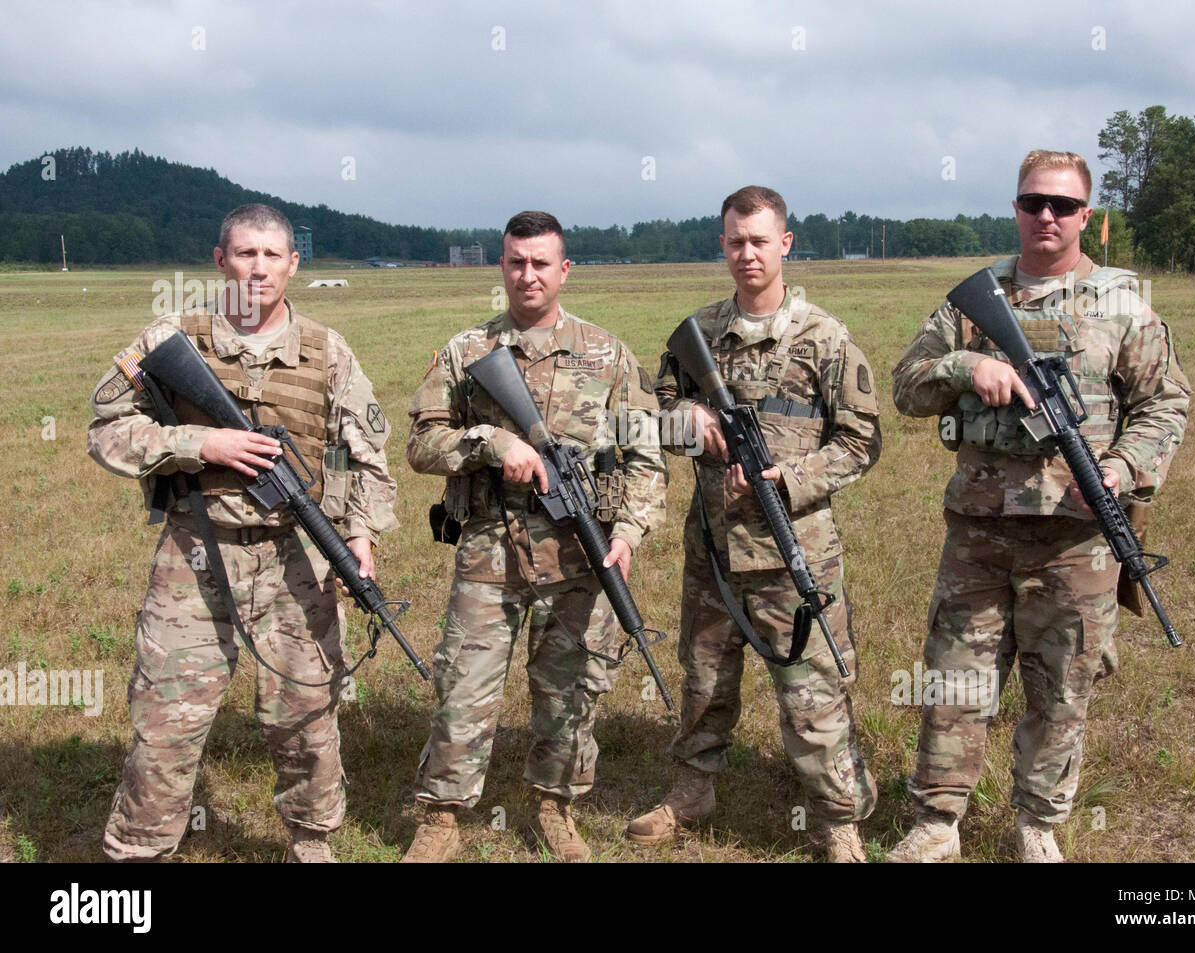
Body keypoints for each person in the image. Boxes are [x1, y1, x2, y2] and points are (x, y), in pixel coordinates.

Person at [888, 151, 1191, 862]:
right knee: (955, 675)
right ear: (1016, 209)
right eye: (1032, 203)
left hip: (1076, 536)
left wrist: (1120, 466)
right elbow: (906, 385)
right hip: (980, 532)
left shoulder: (1121, 304)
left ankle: (1038, 822)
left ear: (1089, 216)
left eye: (1061, 205)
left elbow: (1164, 404)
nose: (1045, 216)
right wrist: (972, 366)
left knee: (1063, 682)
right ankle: (937, 821)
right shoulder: (974, 300)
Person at [89, 203, 398, 863]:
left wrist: (362, 537)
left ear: (293, 263)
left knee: (308, 714)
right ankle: (139, 851)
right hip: (195, 556)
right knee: (167, 718)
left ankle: (312, 844)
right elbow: (106, 431)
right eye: (244, 253)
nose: (258, 267)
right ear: (219, 260)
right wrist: (202, 442)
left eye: (271, 254)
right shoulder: (174, 337)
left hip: (298, 558)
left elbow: (367, 452)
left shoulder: (326, 348)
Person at [401, 210, 667, 863]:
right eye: (516, 261)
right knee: (465, 679)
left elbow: (645, 455)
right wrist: (492, 441)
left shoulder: (609, 354)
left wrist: (628, 531)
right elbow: (419, 444)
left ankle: (555, 806)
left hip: (582, 545)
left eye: (541, 262)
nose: (528, 274)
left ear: (564, 270)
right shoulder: (467, 353)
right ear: (502, 266)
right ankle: (440, 818)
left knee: (573, 683)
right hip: (491, 540)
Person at [630, 186, 882, 862]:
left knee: (813, 691)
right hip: (712, 549)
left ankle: (836, 819)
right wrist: (688, 421)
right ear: (723, 244)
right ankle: (692, 790)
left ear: (785, 245)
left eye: (760, 241)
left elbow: (861, 442)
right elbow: (649, 416)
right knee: (703, 681)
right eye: (736, 241)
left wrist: (791, 480)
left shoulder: (824, 338)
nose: (747, 253)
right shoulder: (698, 334)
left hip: (794, 548)